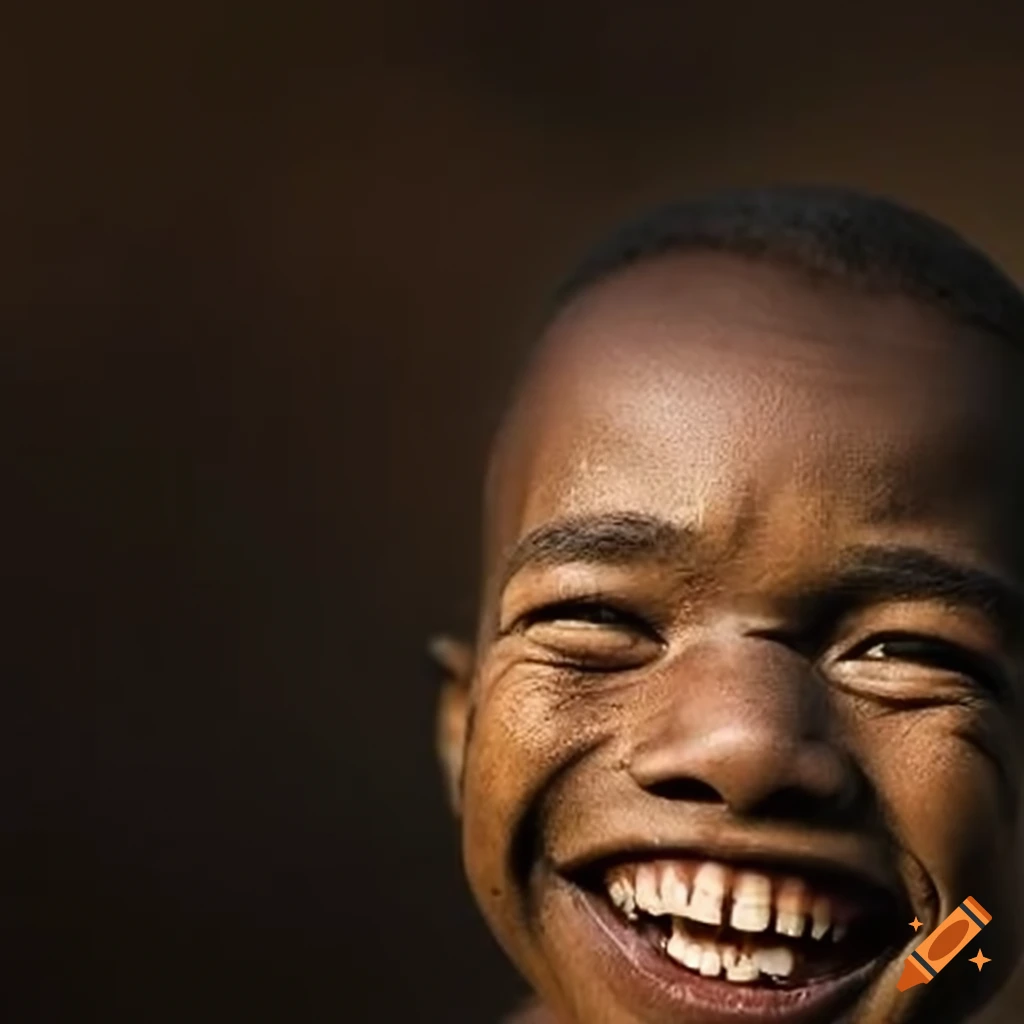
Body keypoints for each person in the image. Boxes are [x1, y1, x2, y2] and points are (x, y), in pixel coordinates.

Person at [430, 186, 1024, 1024]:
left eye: (910, 652)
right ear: (464, 731)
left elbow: (974, 936)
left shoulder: (967, 930)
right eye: (600, 619)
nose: (743, 747)